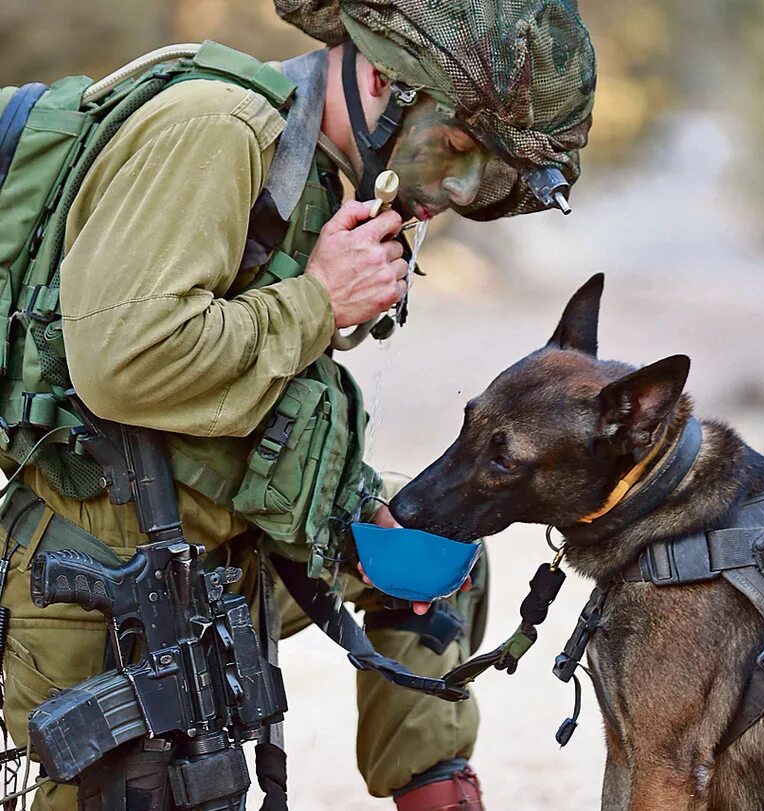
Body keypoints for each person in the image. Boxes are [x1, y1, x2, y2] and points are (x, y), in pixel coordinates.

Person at [0, 1, 595, 809]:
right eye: (454, 149)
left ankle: (439, 792)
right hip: (99, 581)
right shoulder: (216, 127)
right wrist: (317, 300)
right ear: (386, 76)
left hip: (213, 550)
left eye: (481, 176)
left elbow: (267, 398)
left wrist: (353, 498)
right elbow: (122, 364)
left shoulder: (313, 171)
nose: (452, 192)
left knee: (435, 558)